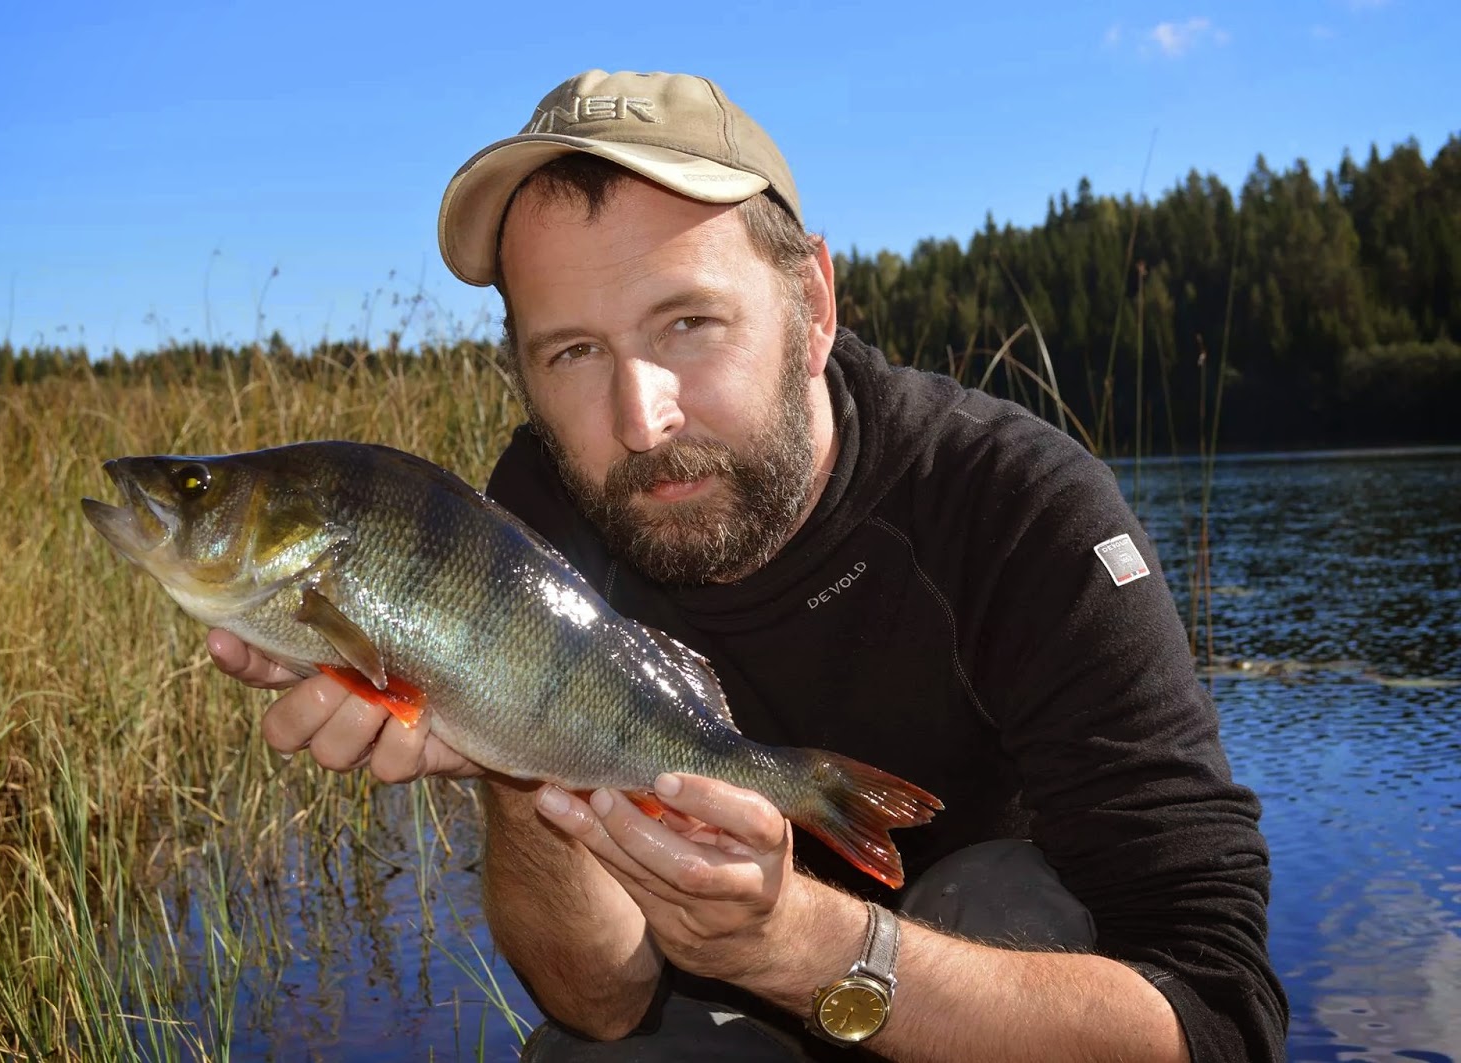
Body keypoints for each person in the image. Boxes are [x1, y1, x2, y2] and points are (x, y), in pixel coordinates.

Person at [207, 69, 1288, 1061]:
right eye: (573, 351)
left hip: (995, 1003)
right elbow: (598, 1004)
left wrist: (795, 942)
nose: (641, 419)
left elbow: (1218, 1013)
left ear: (813, 305)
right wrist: (515, 762)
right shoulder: (537, 513)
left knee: (1009, 894)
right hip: (729, 1023)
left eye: (688, 322)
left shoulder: (1019, 507)